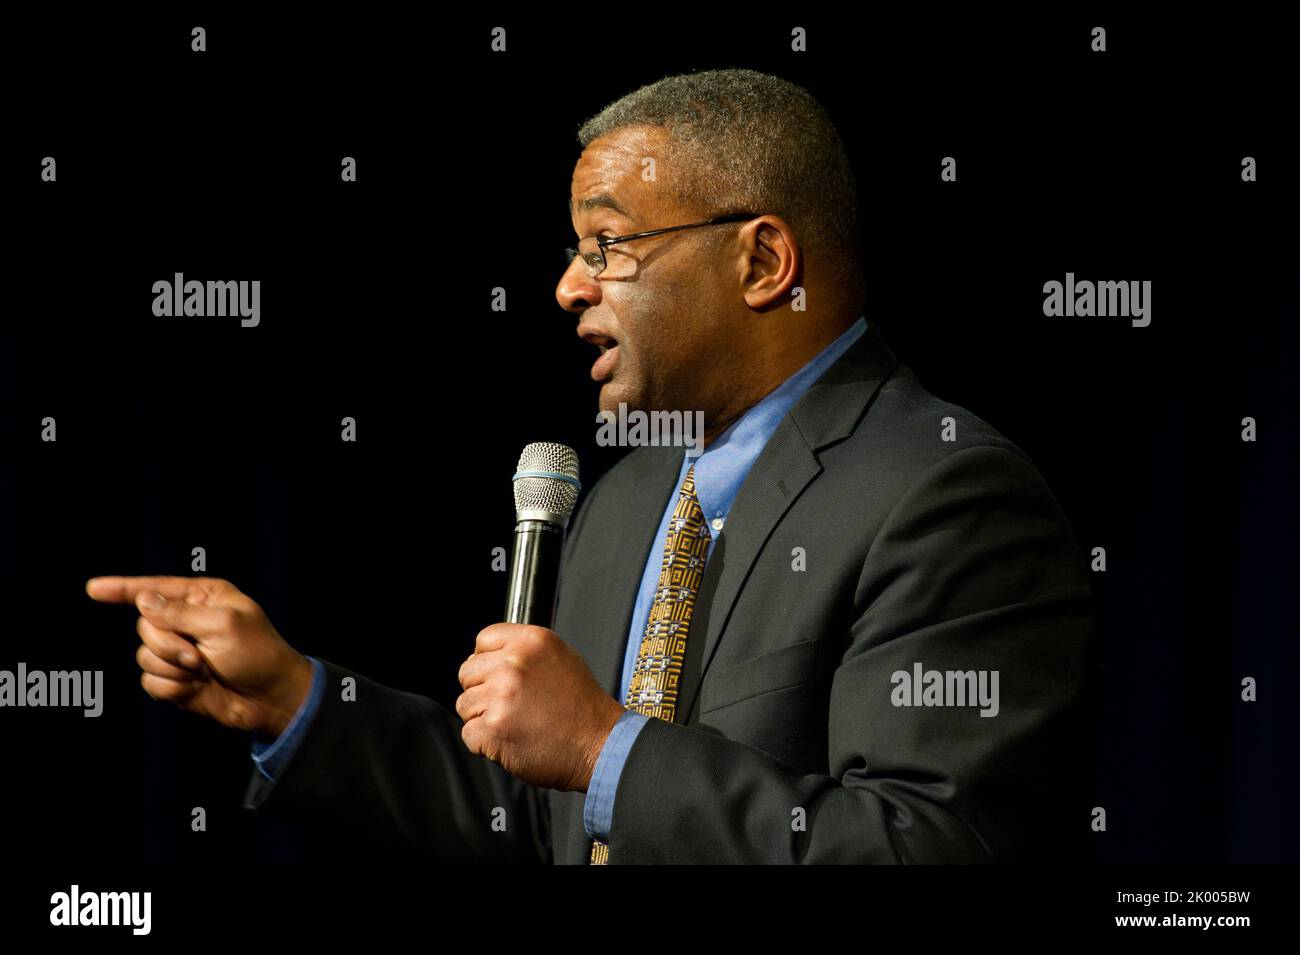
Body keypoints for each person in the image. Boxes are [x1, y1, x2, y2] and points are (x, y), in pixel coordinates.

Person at [86, 68, 1094, 864]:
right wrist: (297, 702)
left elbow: (924, 846)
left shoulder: (944, 493)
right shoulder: (626, 502)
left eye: (608, 245)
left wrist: (607, 749)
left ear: (760, 262)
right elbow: (542, 822)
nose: (569, 285)